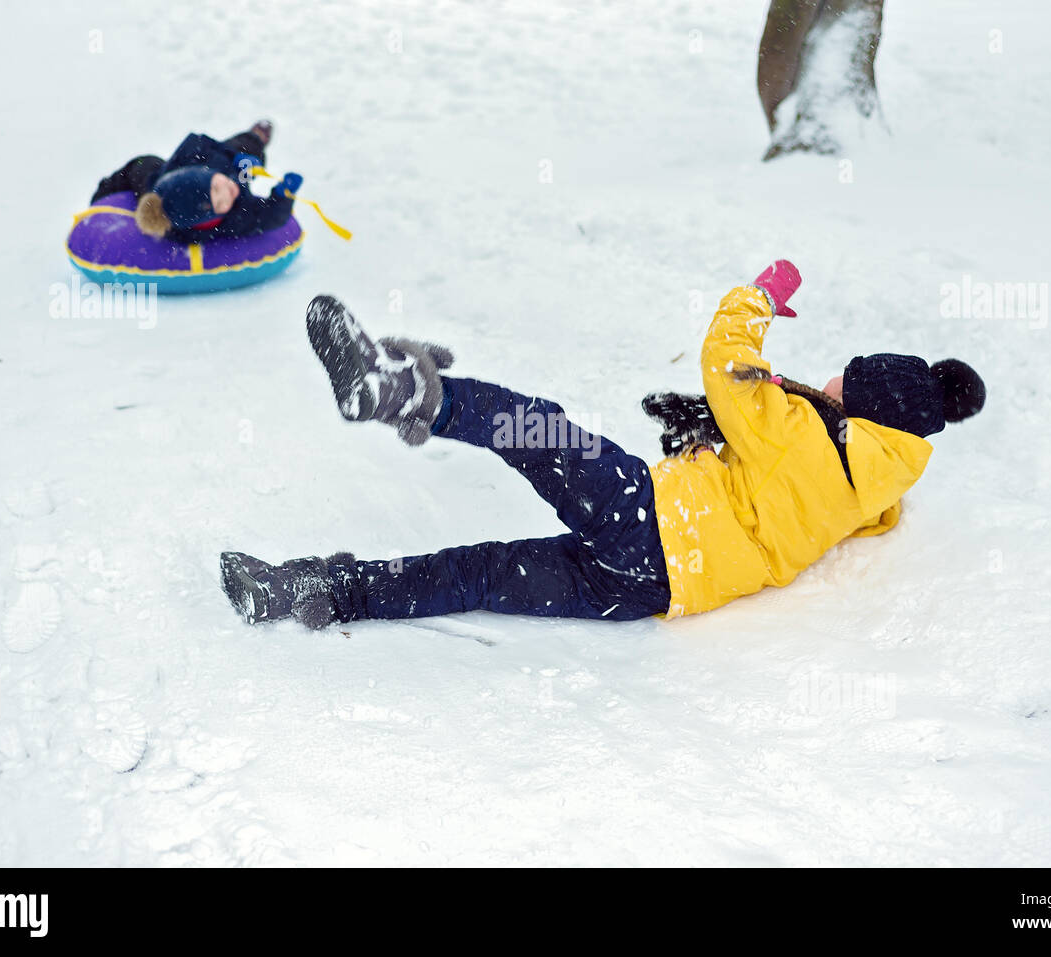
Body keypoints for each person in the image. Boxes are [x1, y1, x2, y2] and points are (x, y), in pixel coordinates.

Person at [220, 260, 986, 627]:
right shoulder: (876, 490)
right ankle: (317, 589)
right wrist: (731, 444)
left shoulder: (802, 434)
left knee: (535, 428)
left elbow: (725, 358)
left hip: (643, 516)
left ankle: (400, 391)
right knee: (483, 573)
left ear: (858, 404)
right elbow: (835, 504)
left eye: (841, 381)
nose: (826, 381)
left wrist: (762, 295)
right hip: (650, 591)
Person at [89, 121, 303, 242]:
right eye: (220, 203)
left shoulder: (181, 164)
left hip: (213, 164)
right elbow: (268, 216)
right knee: (247, 166)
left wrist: (231, 156)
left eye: (217, 187)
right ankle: (254, 143)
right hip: (233, 175)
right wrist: (283, 195)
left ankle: (254, 136)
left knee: (240, 147)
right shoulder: (234, 216)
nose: (230, 192)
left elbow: (200, 142)